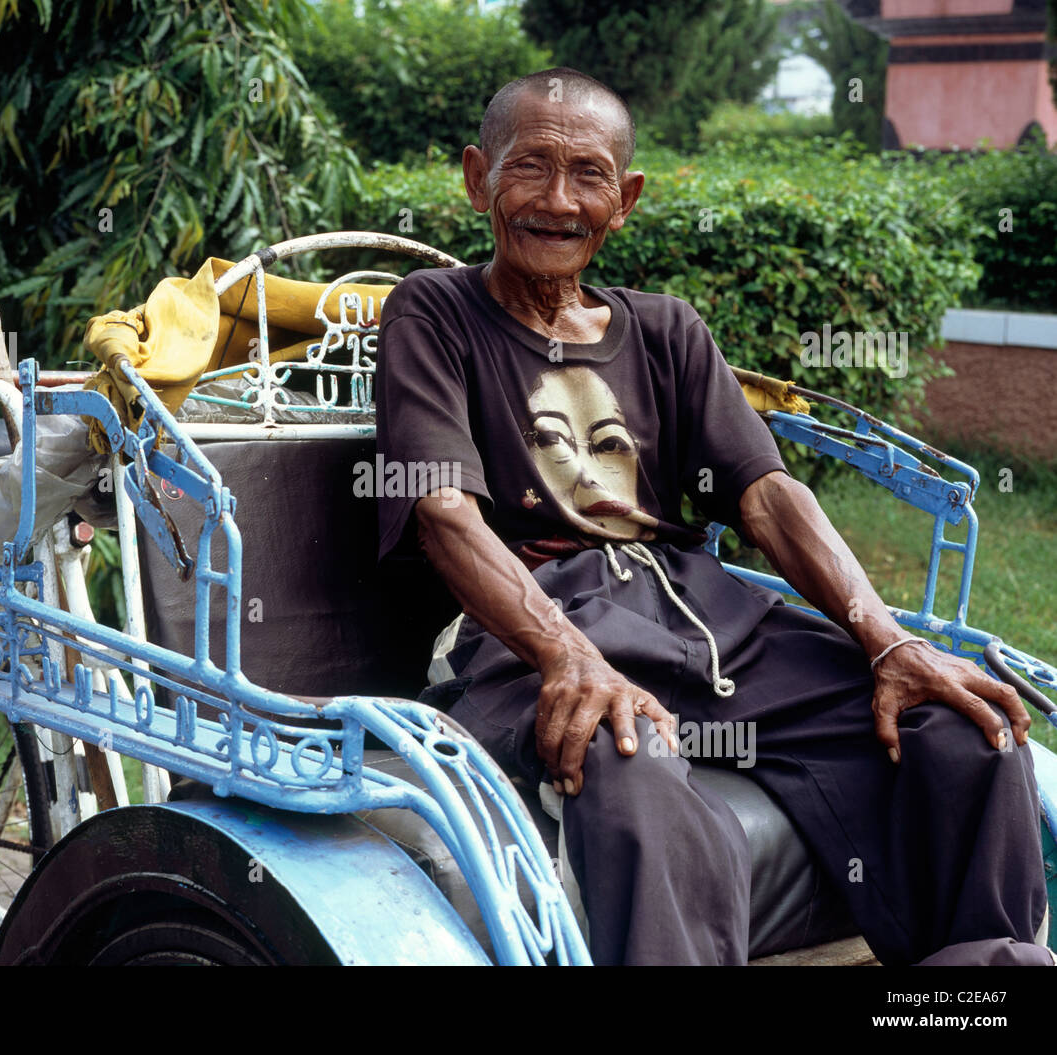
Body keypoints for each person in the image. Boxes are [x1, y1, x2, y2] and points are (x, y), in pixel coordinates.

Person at [375, 66, 1053, 966]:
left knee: (965, 730)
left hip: (707, 619)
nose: (558, 200)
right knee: (623, 750)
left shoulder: (668, 328)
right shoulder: (434, 311)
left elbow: (768, 495)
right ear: (477, 178)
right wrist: (570, 657)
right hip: (537, 620)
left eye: (588, 175)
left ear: (625, 201)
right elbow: (442, 511)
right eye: (530, 166)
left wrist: (887, 641)